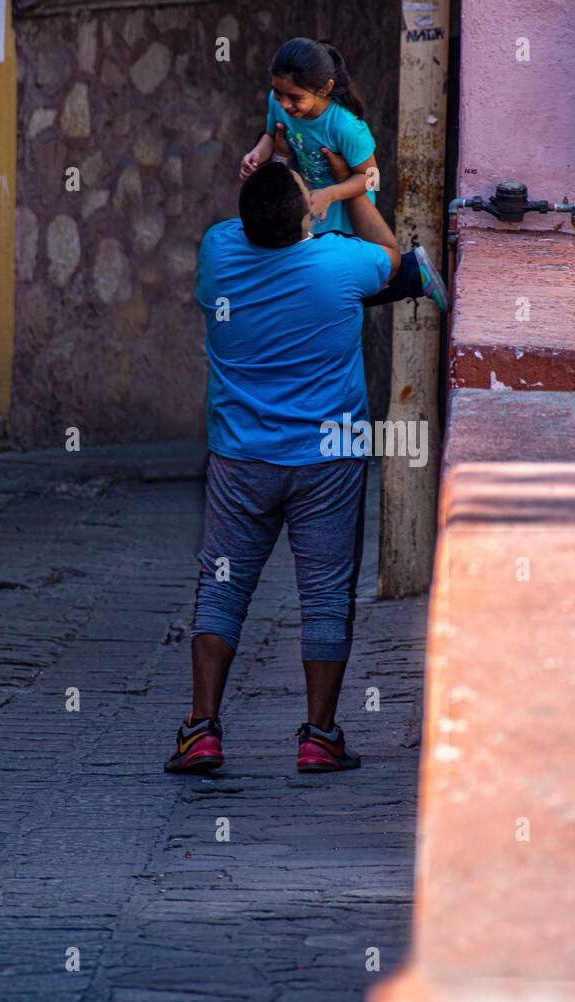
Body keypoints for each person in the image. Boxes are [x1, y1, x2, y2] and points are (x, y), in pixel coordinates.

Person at [165, 161, 402, 777]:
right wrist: (359, 189)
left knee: (220, 589)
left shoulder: (218, 251)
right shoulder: (339, 264)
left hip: (240, 459)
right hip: (329, 459)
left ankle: (202, 732)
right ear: (306, 219)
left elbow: (253, 221)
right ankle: (318, 738)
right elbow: (391, 254)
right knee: (325, 598)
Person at [240, 36, 450, 311]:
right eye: (278, 93)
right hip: (311, 203)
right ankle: (412, 273)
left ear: (325, 88)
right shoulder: (277, 102)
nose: (284, 104)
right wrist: (258, 152)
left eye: (295, 98)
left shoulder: (345, 127)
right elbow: (270, 134)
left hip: (346, 208)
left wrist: (331, 193)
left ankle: (412, 273)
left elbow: (371, 178)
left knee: (337, 283)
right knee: (320, 285)